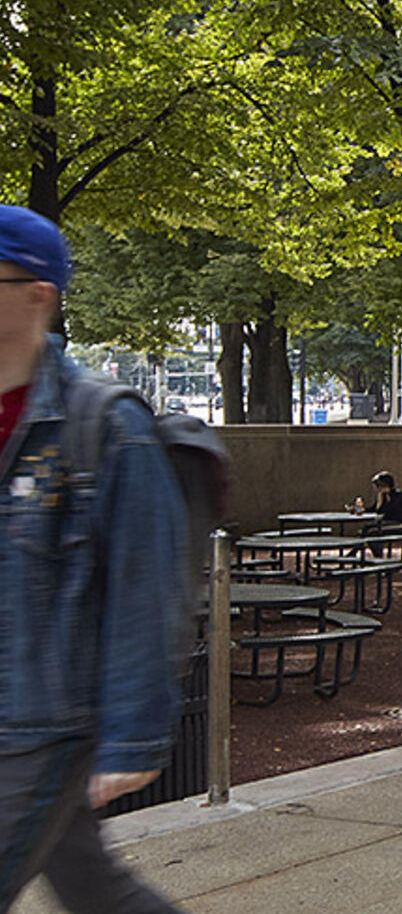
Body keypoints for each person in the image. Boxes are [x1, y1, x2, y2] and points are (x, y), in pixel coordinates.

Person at [0, 205, 189, 914]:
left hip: (46, 728)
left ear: (36, 294)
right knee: (98, 891)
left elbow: (150, 588)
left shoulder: (106, 427)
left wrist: (132, 737)